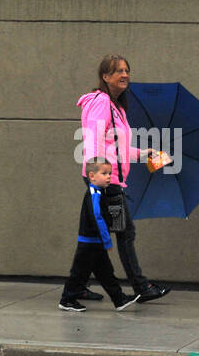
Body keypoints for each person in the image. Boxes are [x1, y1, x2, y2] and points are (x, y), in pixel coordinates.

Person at [71, 54, 170, 303]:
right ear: (105, 77)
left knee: (93, 237)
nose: (125, 75)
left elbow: (115, 145)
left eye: (127, 70)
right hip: (105, 180)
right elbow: (93, 138)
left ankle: (76, 288)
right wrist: (98, 176)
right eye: (118, 71)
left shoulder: (116, 106)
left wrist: (142, 154)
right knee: (125, 232)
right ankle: (140, 286)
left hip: (106, 177)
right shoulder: (101, 102)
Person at [59, 158, 140, 312]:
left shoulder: (100, 193)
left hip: (95, 242)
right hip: (89, 243)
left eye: (110, 173)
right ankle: (67, 300)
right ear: (92, 176)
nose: (109, 176)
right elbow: (97, 217)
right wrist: (107, 240)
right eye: (104, 173)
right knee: (79, 273)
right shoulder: (94, 194)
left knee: (106, 273)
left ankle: (119, 299)